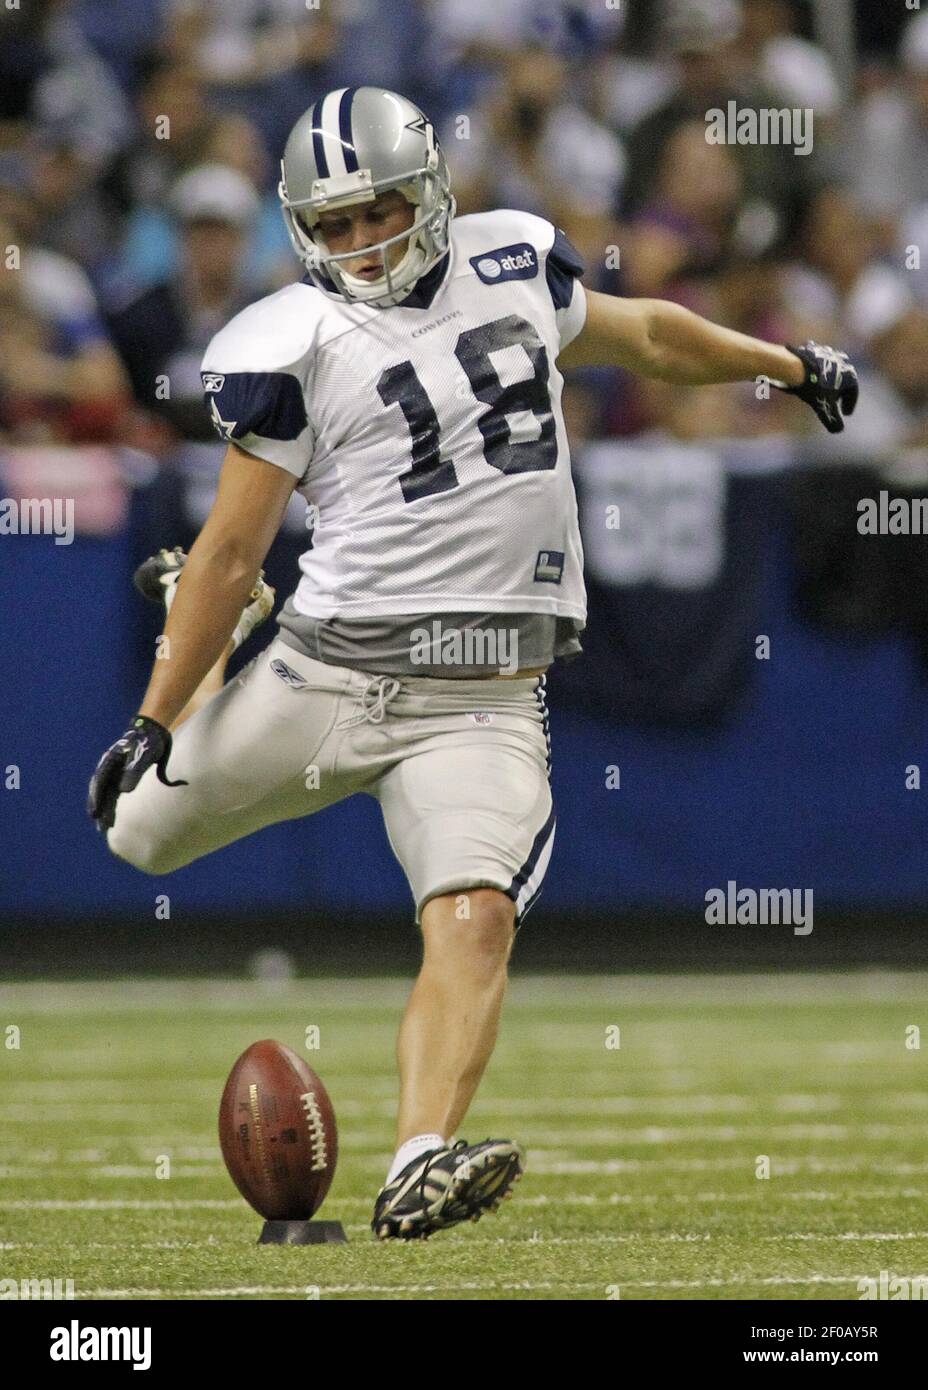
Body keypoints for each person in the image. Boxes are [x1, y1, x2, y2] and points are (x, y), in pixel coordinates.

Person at [87, 85, 858, 1241]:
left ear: (433, 193)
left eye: (378, 211)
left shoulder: (513, 261)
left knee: (473, 912)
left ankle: (417, 1158)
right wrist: (154, 716)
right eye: (333, 223)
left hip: (481, 696)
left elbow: (645, 333)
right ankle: (226, 646)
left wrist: (784, 363)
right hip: (323, 672)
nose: (359, 241)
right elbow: (230, 540)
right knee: (135, 834)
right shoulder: (289, 338)